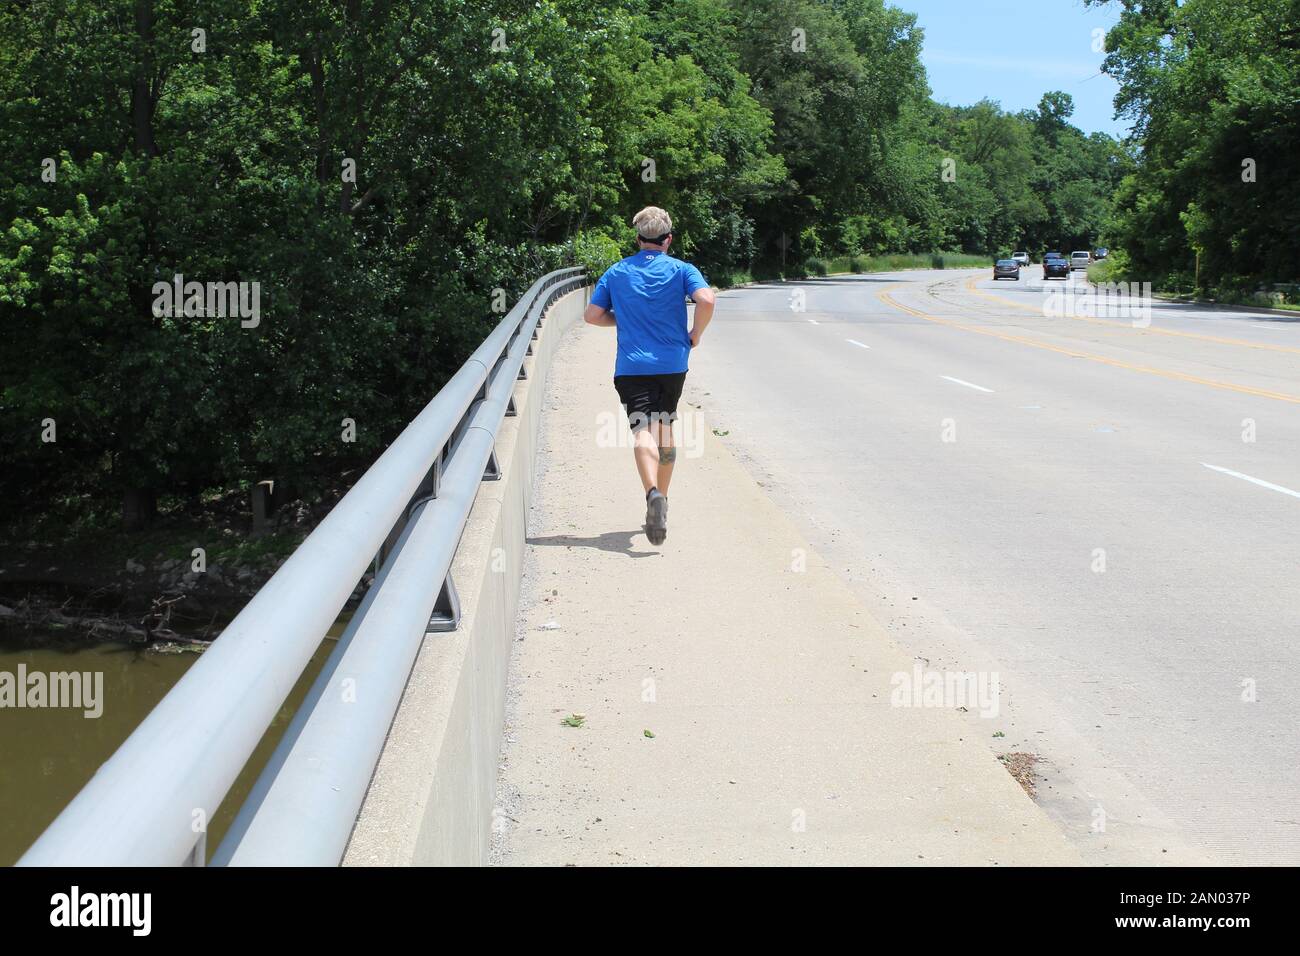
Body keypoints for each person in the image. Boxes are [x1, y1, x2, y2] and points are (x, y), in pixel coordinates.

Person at [583, 207, 716, 545]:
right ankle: (664, 499)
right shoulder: (682, 269)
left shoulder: (616, 272)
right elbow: (706, 300)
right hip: (673, 364)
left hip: (632, 368)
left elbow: (592, 315)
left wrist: (623, 321)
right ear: (668, 239)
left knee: (642, 431)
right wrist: (695, 334)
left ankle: (652, 493)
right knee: (665, 429)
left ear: (638, 239)